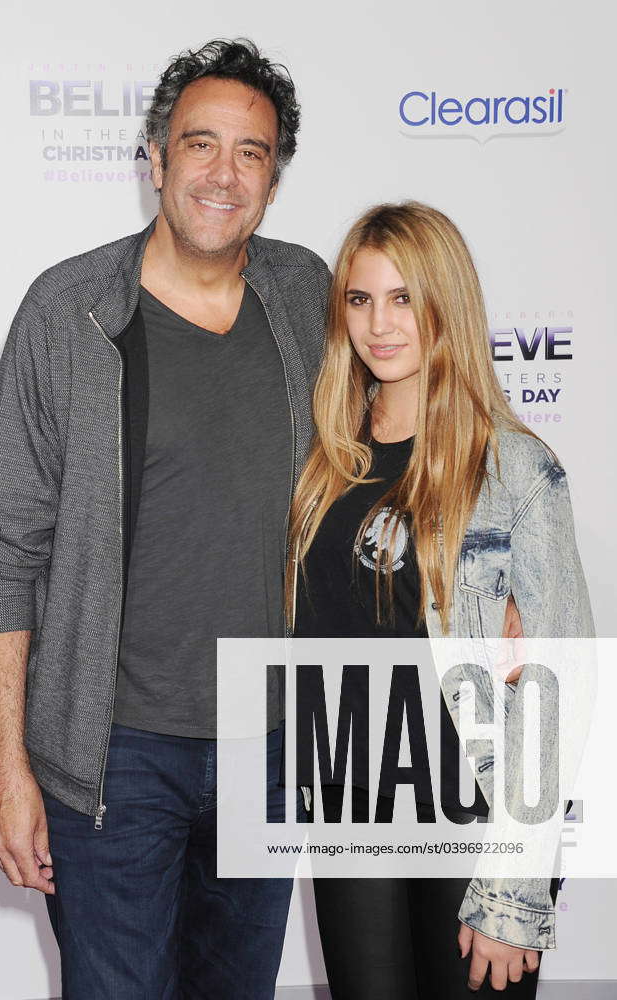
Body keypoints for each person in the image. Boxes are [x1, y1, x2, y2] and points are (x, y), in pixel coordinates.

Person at [0, 38, 332, 999]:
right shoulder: (69, 312)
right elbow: (4, 550)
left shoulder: (305, 297)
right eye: (198, 144)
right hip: (112, 757)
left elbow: (409, 439)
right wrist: (7, 771)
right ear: (155, 160)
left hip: (271, 744)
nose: (222, 172)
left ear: (274, 179)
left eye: (249, 152)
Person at [287, 201, 594, 997]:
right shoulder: (323, 459)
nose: (380, 324)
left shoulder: (513, 470)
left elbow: (558, 685)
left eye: (403, 298)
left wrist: (515, 889)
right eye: (360, 299)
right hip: (352, 804)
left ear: (445, 305)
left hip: (471, 810)